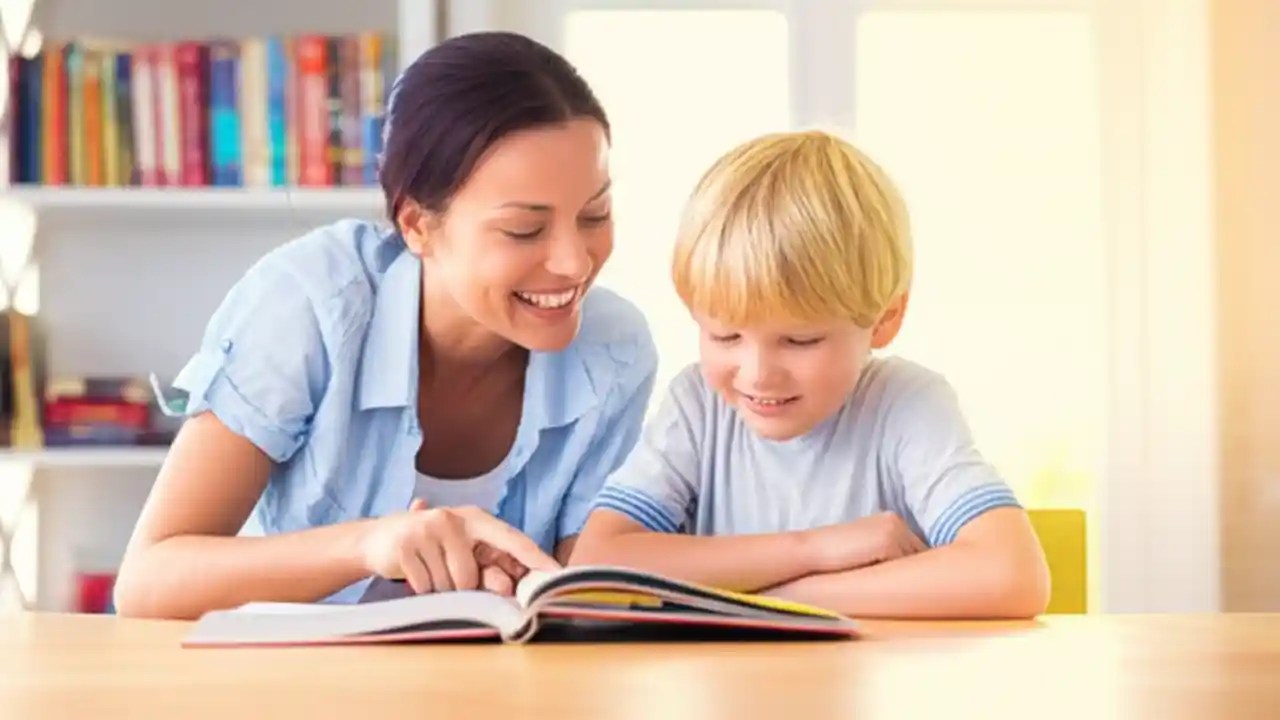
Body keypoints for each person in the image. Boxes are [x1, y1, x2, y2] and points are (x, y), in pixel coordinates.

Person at [113, 31, 657, 620]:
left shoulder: (614, 350)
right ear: (417, 225)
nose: (575, 262)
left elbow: (584, 584)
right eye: (525, 230)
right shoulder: (313, 305)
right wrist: (370, 544)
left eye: (594, 215)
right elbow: (147, 582)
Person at [570, 129, 1050, 619]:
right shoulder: (698, 406)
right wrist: (815, 549)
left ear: (884, 319)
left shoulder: (906, 405)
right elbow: (598, 560)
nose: (757, 375)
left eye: (800, 341)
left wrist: (772, 599)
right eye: (724, 336)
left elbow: (1011, 576)